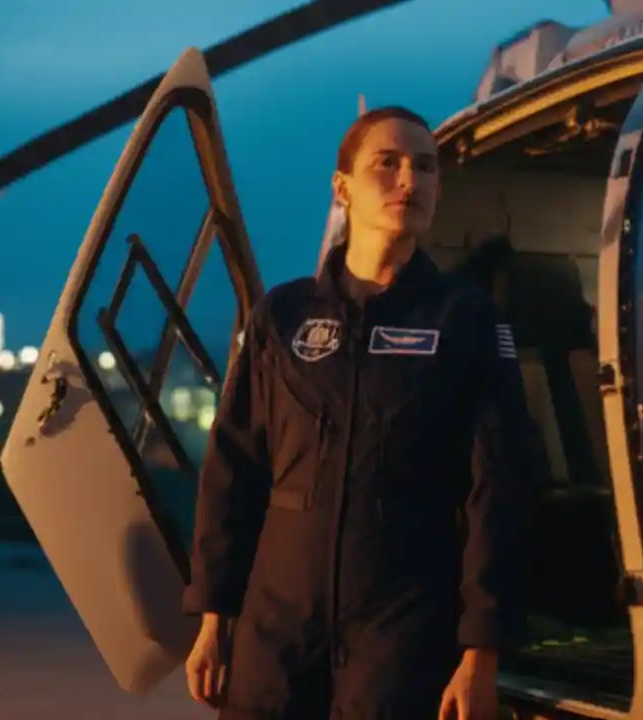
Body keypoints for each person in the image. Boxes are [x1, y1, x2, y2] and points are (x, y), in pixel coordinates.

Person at [183, 106, 538, 720]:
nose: (411, 180)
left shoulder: (466, 321)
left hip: (401, 628)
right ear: (342, 188)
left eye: (426, 168)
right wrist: (214, 620)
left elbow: (498, 491)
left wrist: (482, 650)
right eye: (389, 163)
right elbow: (234, 470)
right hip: (276, 626)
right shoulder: (283, 317)